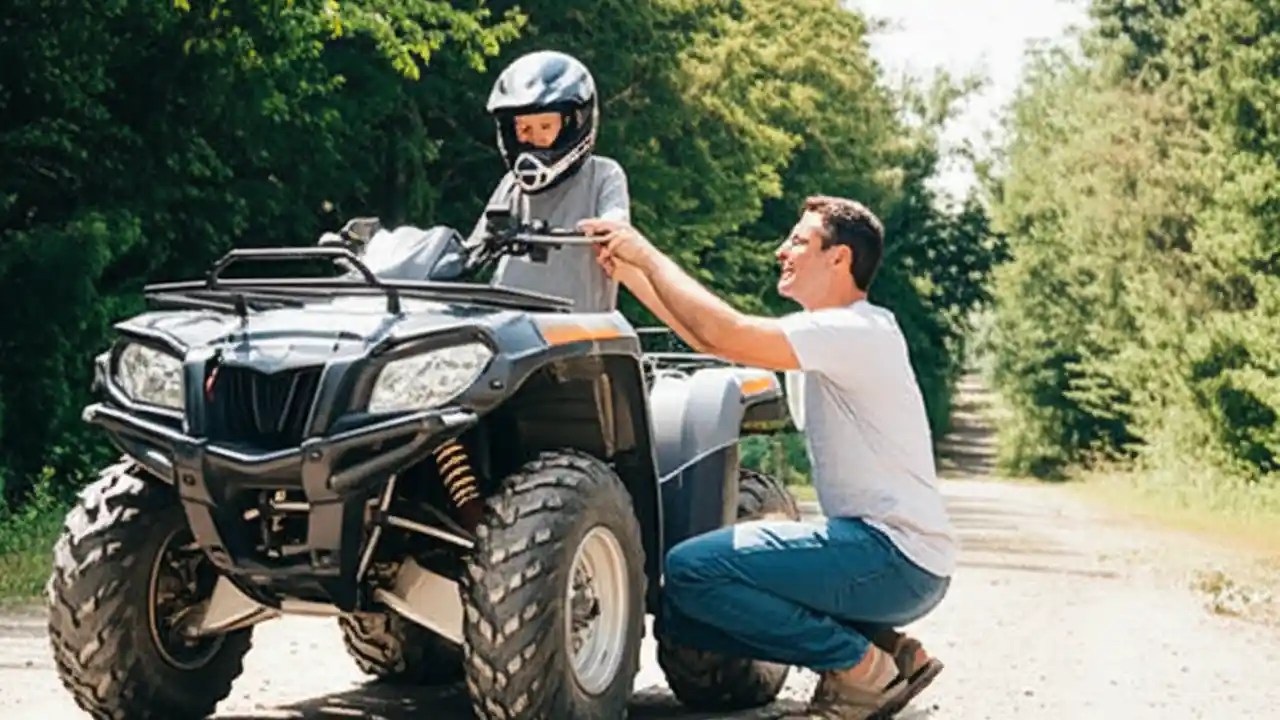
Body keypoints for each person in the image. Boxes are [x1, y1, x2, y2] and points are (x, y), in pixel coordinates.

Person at [580, 196, 957, 719]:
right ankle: (890, 649)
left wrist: (647, 254)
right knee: (681, 614)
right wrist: (631, 272)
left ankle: (859, 664)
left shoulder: (854, 331)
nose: (782, 251)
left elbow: (723, 331)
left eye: (799, 241)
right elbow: (704, 337)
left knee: (692, 572)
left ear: (839, 259)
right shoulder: (836, 331)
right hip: (891, 559)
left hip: (891, 556)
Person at [467, 49, 631, 312]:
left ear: (571, 125)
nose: (535, 138)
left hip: (578, 334)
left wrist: (607, 230)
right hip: (512, 333)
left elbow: (617, 225)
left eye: (546, 127)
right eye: (524, 129)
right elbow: (471, 252)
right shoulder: (511, 186)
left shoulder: (603, 175)